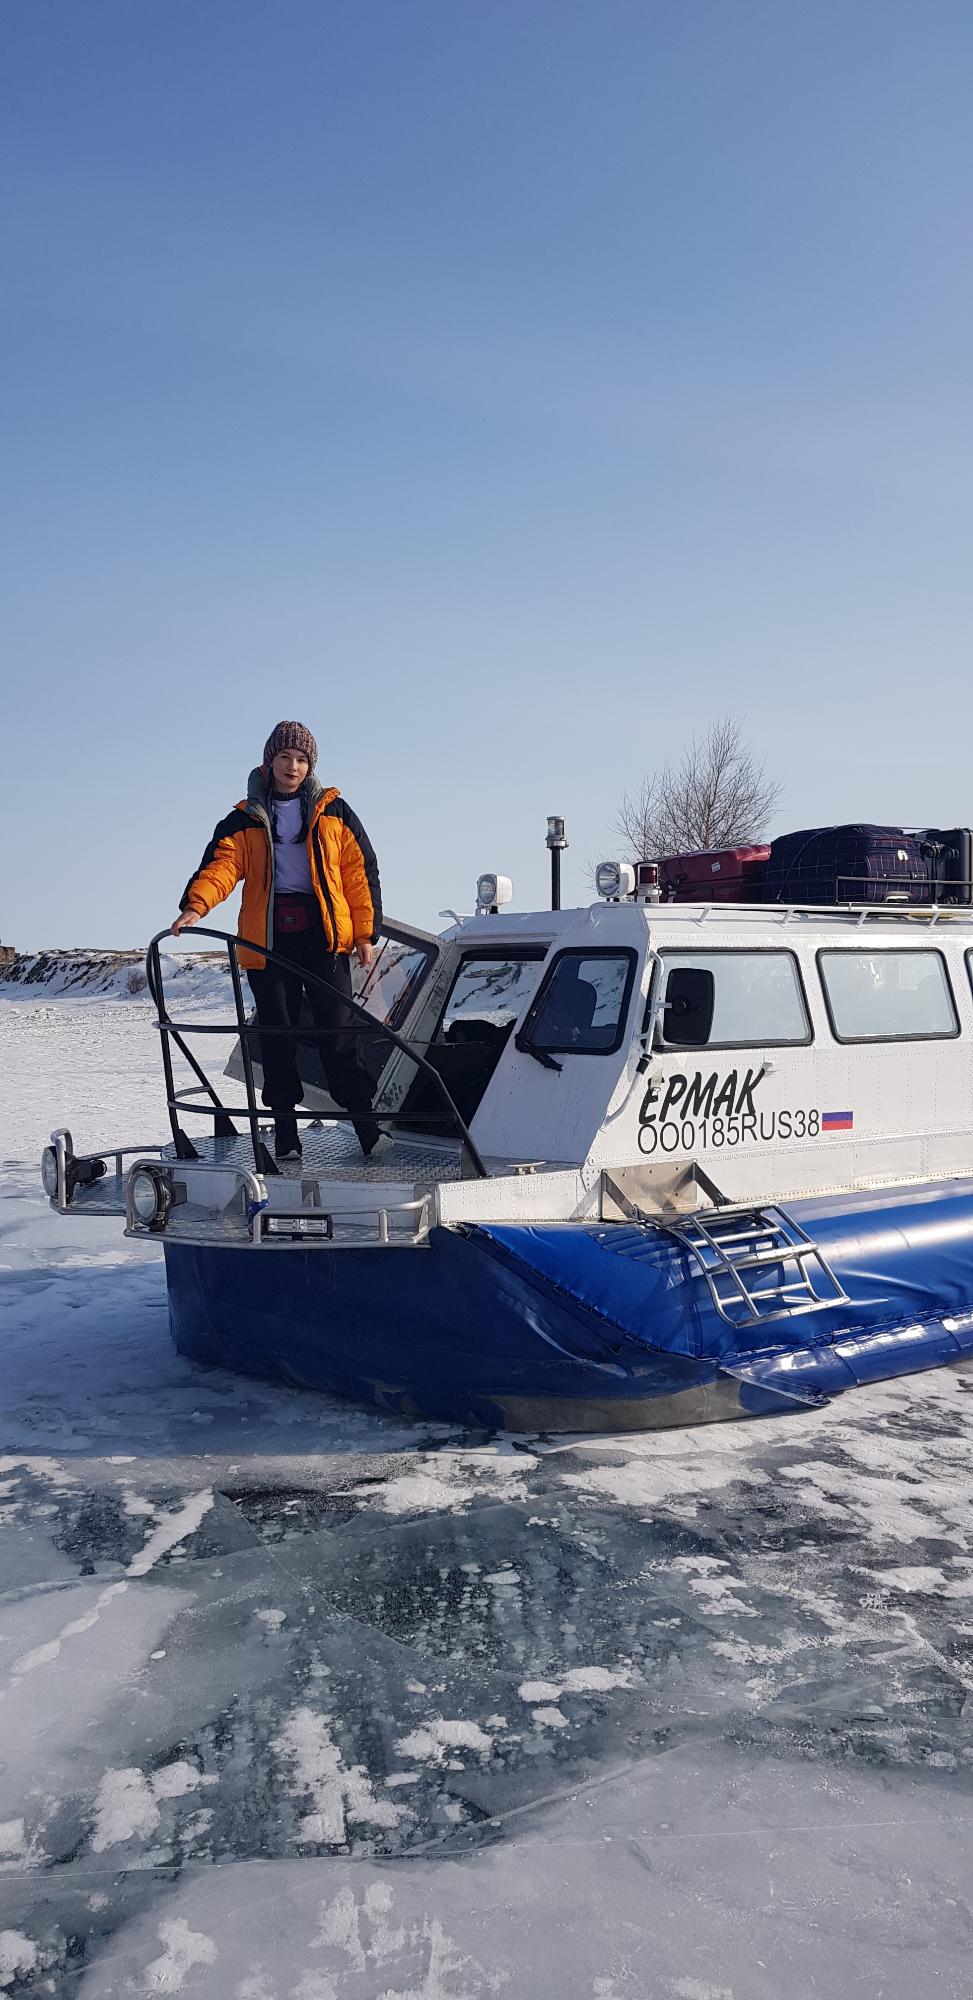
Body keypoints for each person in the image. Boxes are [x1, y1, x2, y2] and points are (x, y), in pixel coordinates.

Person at [171, 720, 389, 1162]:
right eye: (285, 757)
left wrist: (365, 933)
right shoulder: (243, 818)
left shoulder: (336, 813)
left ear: (311, 767)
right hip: (269, 941)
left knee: (338, 1030)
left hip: (324, 937)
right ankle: (286, 1132)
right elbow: (222, 868)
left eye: (302, 759)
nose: (293, 766)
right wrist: (196, 906)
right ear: (268, 762)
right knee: (278, 1033)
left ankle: (366, 1126)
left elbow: (358, 875)